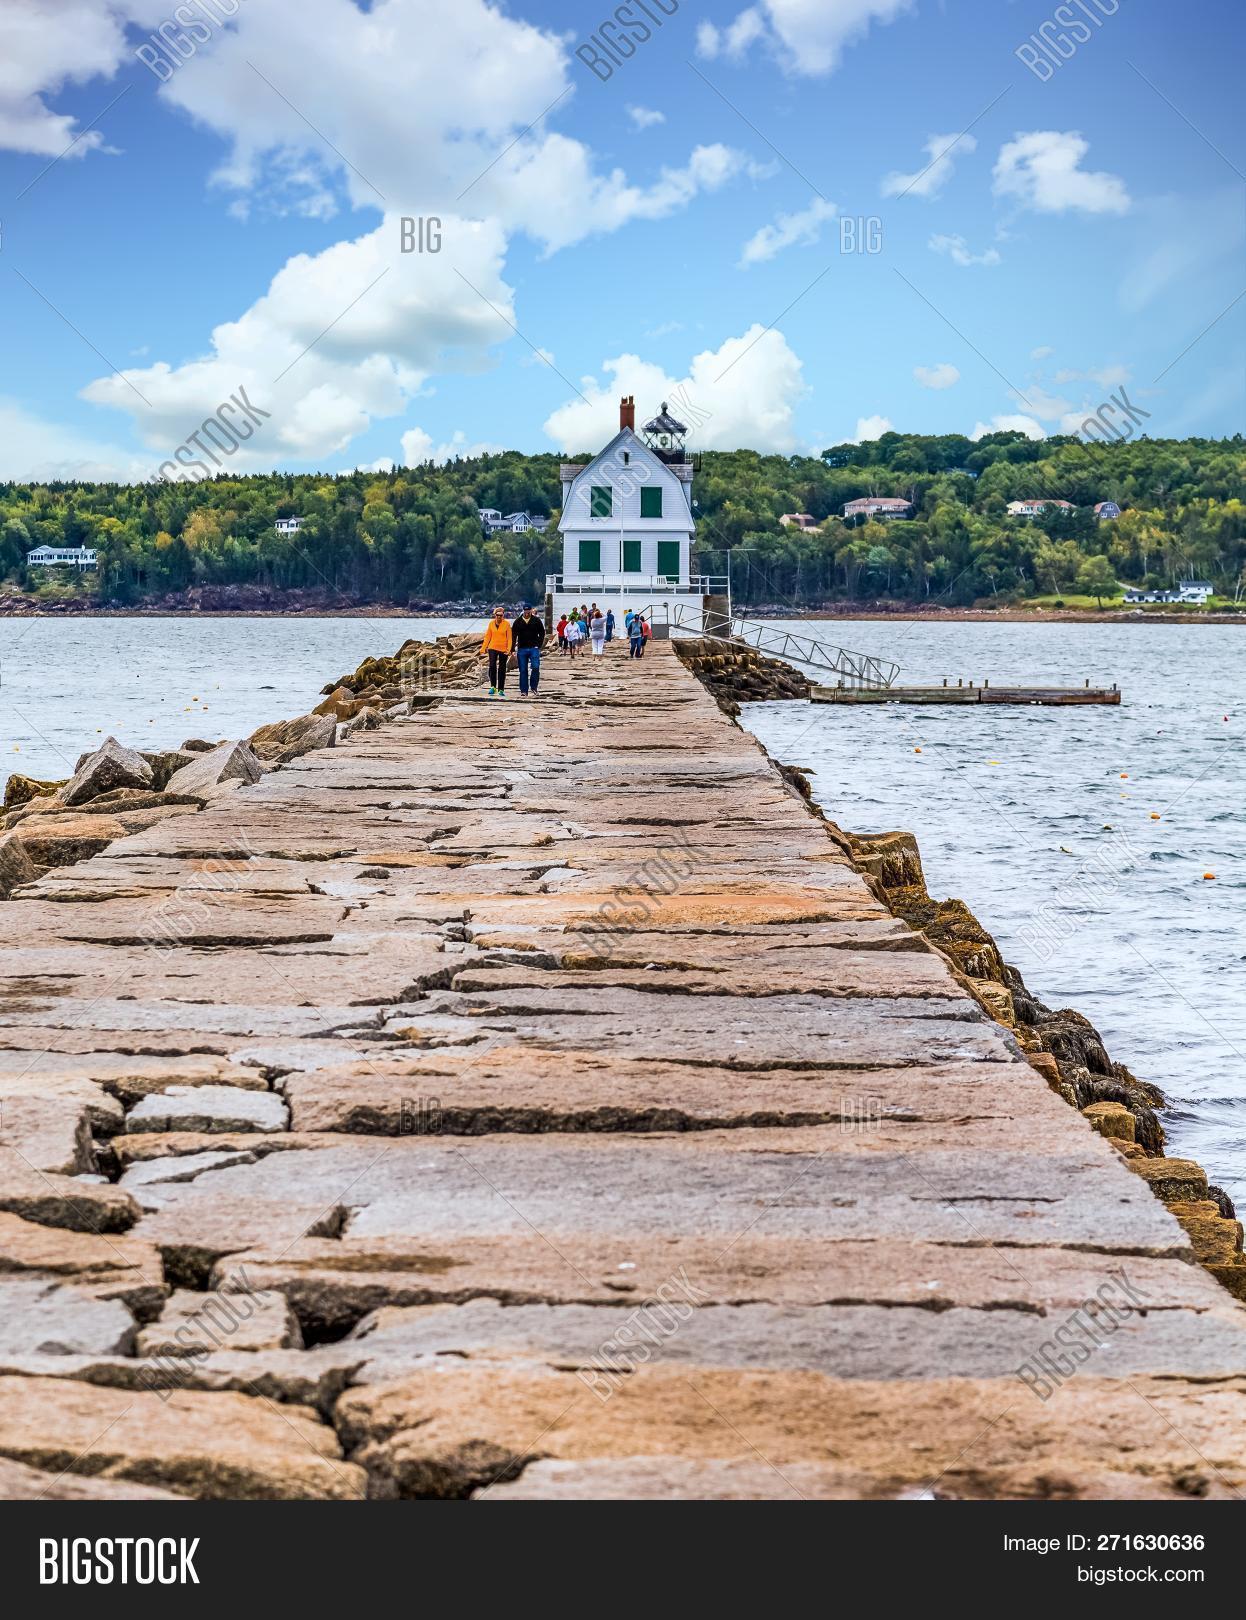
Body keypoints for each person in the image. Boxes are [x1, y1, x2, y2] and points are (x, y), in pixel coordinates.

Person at [511, 603, 546, 697]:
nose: (527, 612)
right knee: (523, 670)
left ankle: (534, 687)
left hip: (534, 648)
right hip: (522, 649)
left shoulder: (536, 620)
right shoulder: (517, 621)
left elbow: (542, 632)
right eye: (525, 611)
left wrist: (539, 645)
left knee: (535, 667)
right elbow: (513, 636)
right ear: (523, 611)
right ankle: (524, 691)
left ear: (531, 610)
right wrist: (512, 649)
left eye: (528, 611)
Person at [479, 605, 513, 696]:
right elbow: (487, 637)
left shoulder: (506, 624)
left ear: (503, 615)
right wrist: (483, 648)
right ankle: (493, 687)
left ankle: (501, 689)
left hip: (503, 649)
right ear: (495, 615)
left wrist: (509, 649)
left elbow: (510, 638)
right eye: (497, 615)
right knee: (492, 666)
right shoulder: (491, 624)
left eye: (501, 615)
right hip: (492, 647)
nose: (499, 617)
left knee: (502, 668)